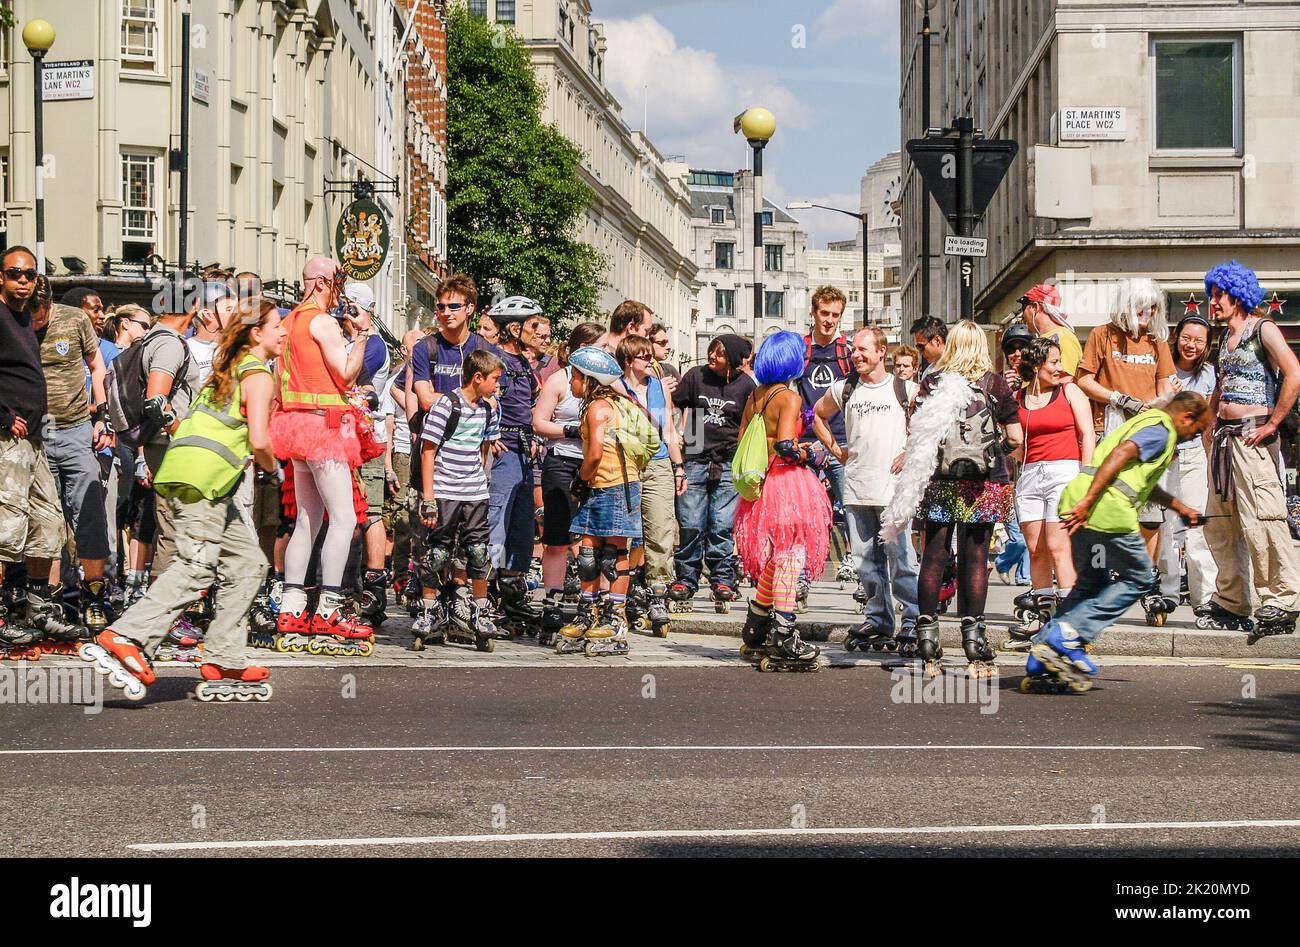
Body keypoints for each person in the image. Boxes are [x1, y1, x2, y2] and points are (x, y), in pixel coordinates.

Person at [82, 299, 284, 702]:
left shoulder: (226, 370)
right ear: (256, 334)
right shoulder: (258, 373)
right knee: (196, 566)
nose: (283, 332)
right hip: (202, 480)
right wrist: (274, 470)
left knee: (248, 563)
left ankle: (225, 654)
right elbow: (260, 439)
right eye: (277, 326)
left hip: (196, 476)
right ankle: (127, 635)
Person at [1024, 393, 1212, 692]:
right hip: (1106, 512)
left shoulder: (1147, 421)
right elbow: (1121, 455)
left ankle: (1043, 652)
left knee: (1090, 584)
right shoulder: (1162, 431)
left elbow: (1137, 481)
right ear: (1186, 418)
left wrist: (1181, 508)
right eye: (1198, 429)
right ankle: (1070, 634)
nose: (1195, 436)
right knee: (1138, 578)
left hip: (1082, 508)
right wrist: (1089, 501)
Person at [881, 320, 1024, 679]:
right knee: (975, 560)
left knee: (934, 555)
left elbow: (919, 434)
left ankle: (928, 640)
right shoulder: (995, 385)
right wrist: (993, 453)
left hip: (941, 482)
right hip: (985, 484)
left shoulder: (932, 382)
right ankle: (974, 643)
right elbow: (1016, 438)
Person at [269, 256, 375, 649]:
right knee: (344, 519)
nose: (338, 294)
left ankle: (293, 603)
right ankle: (329, 607)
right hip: (325, 426)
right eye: (336, 285)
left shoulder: (288, 321)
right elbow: (346, 373)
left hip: (295, 426)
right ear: (320, 283)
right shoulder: (323, 321)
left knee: (306, 521)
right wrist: (361, 335)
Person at [1198, 261, 1300, 640]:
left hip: (1253, 436)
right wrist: (1210, 422)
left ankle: (1281, 599)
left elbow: (1294, 372)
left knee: (1265, 519)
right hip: (1225, 439)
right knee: (1221, 523)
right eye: (1212, 294)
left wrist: (1273, 423)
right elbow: (1222, 385)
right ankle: (1232, 600)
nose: (1213, 301)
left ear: (1238, 293)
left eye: (1219, 294)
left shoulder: (1263, 329)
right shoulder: (1224, 338)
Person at [813, 326, 920, 653]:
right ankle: (879, 619)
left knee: (901, 559)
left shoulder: (906, 389)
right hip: (857, 488)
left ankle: (914, 619)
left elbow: (930, 427)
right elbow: (817, 414)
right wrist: (835, 450)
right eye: (853, 350)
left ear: (881, 352)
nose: (856, 355)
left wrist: (910, 450)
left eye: (863, 350)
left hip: (893, 494)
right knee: (865, 561)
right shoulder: (845, 388)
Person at [0, 248, 84, 656]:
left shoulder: (21, 317)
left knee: (48, 521)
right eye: (15, 273)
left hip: (33, 437)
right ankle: (1, 614)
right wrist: (2, 413)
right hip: (9, 438)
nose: (23, 281)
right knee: (6, 526)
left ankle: (35, 605)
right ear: (1, 276)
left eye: (29, 275)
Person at [733, 331, 834, 667]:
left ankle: (757, 623)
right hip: (787, 483)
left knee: (778, 556)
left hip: (761, 487)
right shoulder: (788, 397)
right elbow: (787, 447)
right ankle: (784, 631)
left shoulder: (755, 396)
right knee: (791, 555)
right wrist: (813, 454)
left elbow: (747, 440)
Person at [31, 276, 115, 637]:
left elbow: (98, 365)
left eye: (40, 314)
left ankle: (93, 596)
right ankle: (48, 602)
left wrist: (103, 415)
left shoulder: (73, 319)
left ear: (50, 303)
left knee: (89, 513)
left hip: (76, 429)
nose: (35, 321)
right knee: (45, 522)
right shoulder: (11, 320)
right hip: (35, 435)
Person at [554, 346, 652, 654]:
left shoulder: (598, 407)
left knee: (613, 553)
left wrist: (580, 479)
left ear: (590, 379)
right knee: (588, 555)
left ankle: (615, 618)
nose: (571, 383)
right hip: (606, 486)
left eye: (575, 376)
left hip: (615, 487)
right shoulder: (609, 404)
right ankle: (588, 614)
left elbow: (594, 453)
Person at [1075, 278, 1176, 566]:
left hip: (1148, 433)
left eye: (1155, 308)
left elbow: (1164, 386)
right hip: (1111, 429)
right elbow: (1083, 379)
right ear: (1129, 306)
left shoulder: (1157, 341)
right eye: (1145, 308)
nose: (1150, 315)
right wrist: (1117, 398)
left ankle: (1146, 576)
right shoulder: (1102, 334)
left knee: (1151, 514)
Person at [412, 349, 505, 649]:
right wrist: (428, 497)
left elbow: (484, 448)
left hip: (474, 492)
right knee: (438, 553)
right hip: (445, 490)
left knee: (478, 552)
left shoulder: (488, 410)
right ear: (477, 378)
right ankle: (429, 609)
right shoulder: (445, 406)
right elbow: (428, 451)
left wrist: (480, 478)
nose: (497, 386)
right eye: (494, 380)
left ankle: (479, 611)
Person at [1007, 337, 1094, 645]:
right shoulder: (1017, 398)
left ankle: (1070, 624)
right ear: (1036, 365)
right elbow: (1015, 445)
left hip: (1065, 472)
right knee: (1036, 550)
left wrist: (1086, 478)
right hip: (1030, 475)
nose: (1060, 368)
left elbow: (1088, 434)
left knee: (1058, 547)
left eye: (1059, 361)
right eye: (1054, 362)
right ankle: (1043, 619)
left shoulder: (1069, 391)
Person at [532, 322, 606, 645]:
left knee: (594, 537)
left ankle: (597, 605)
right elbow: (538, 422)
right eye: (600, 348)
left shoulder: (604, 385)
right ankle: (552, 600)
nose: (606, 353)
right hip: (562, 461)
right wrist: (569, 431)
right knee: (558, 536)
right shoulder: (559, 380)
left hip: (596, 464)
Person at [669, 333, 755, 609]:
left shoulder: (745, 386)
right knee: (691, 522)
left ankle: (722, 578)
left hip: (728, 460)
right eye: (711, 351)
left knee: (721, 525)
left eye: (719, 354)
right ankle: (687, 577)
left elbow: (748, 423)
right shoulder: (696, 376)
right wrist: (682, 437)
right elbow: (676, 405)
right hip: (695, 456)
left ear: (731, 358)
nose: (712, 357)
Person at [478, 295, 544, 638]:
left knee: (521, 526)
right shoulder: (496, 359)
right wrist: (491, 435)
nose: (539, 331)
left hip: (525, 447)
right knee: (497, 521)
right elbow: (485, 399)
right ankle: (487, 594)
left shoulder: (526, 363)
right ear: (514, 328)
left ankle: (513, 588)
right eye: (533, 325)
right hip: (503, 446)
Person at [615, 334, 687, 636]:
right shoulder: (615, 387)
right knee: (626, 533)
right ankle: (622, 596)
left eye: (650, 355)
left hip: (657, 463)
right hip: (626, 462)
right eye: (644, 356)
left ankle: (658, 591)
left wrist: (678, 466)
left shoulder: (658, 386)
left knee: (660, 529)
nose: (650, 360)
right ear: (629, 360)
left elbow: (668, 427)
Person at [1158, 313, 1219, 616]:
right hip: (1164, 459)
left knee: (1195, 528)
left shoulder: (1209, 373)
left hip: (1194, 457)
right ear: (1176, 337)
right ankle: (1167, 592)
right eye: (1186, 338)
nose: (1191, 345)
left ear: (1207, 345)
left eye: (1198, 340)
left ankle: (1205, 598)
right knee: (1168, 529)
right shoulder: (1163, 366)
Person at [994, 324, 1034, 586]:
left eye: (1022, 347)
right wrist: (1006, 393)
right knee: (1018, 533)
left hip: (1033, 461)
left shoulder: (1040, 381)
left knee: (1032, 526)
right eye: (1011, 348)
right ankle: (1005, 561)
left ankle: (1025, 577)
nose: (1017, 353)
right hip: (1006, 471)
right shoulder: (997, 382)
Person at [1019, 283, 1082, 380]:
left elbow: (1065, 380)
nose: (1022, 315)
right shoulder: (1046, 338)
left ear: (1035, 307)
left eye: (1023, 308)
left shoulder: (1063, 337)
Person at [186, 281, 238, 386]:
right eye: (228, 309)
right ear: (208, 315)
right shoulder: (186, 350)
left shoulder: (238, 347)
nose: (236, 314)